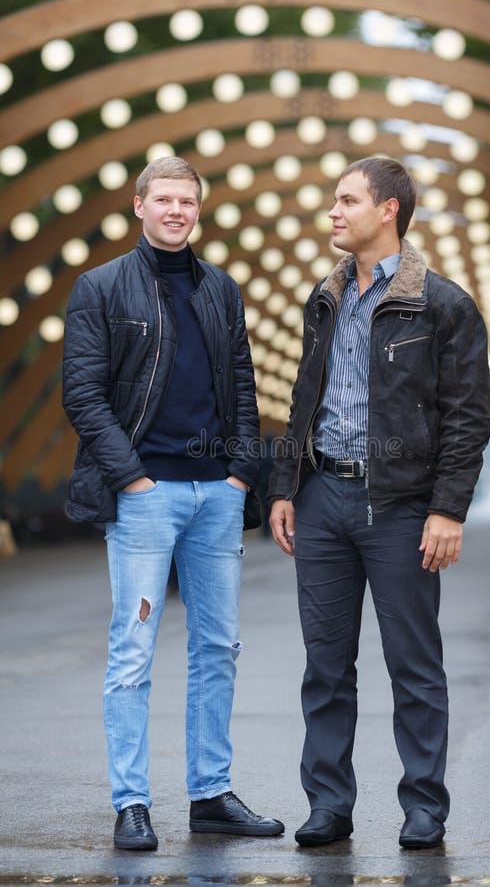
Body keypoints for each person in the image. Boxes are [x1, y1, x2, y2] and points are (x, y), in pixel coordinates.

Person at [268, 157, 490, 850]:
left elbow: (467, 415)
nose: (334, 212)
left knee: (413, 663)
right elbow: (303, 398)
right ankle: (329, 804)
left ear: (388, 210)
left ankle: (425, 806)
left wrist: (448, 509)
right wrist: (285, 486)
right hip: (324, 496)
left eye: (347, 200)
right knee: (326, 665)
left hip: (399, 506)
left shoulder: (443, 305)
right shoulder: (324, 297)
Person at [62, 156, 283, 851]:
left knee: (219, 647)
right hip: (145, 497)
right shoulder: (99, 288)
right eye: (164, 199)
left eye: (187, 201)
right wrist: (131, 478)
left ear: (197, 209)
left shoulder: (221, 290)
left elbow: (244, 388)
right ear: (138, 206)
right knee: (133, 650)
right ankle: (131, 802)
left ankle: (211, 794)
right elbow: (83, 395)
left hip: (217, 492)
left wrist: (243, 472)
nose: (176, 211)